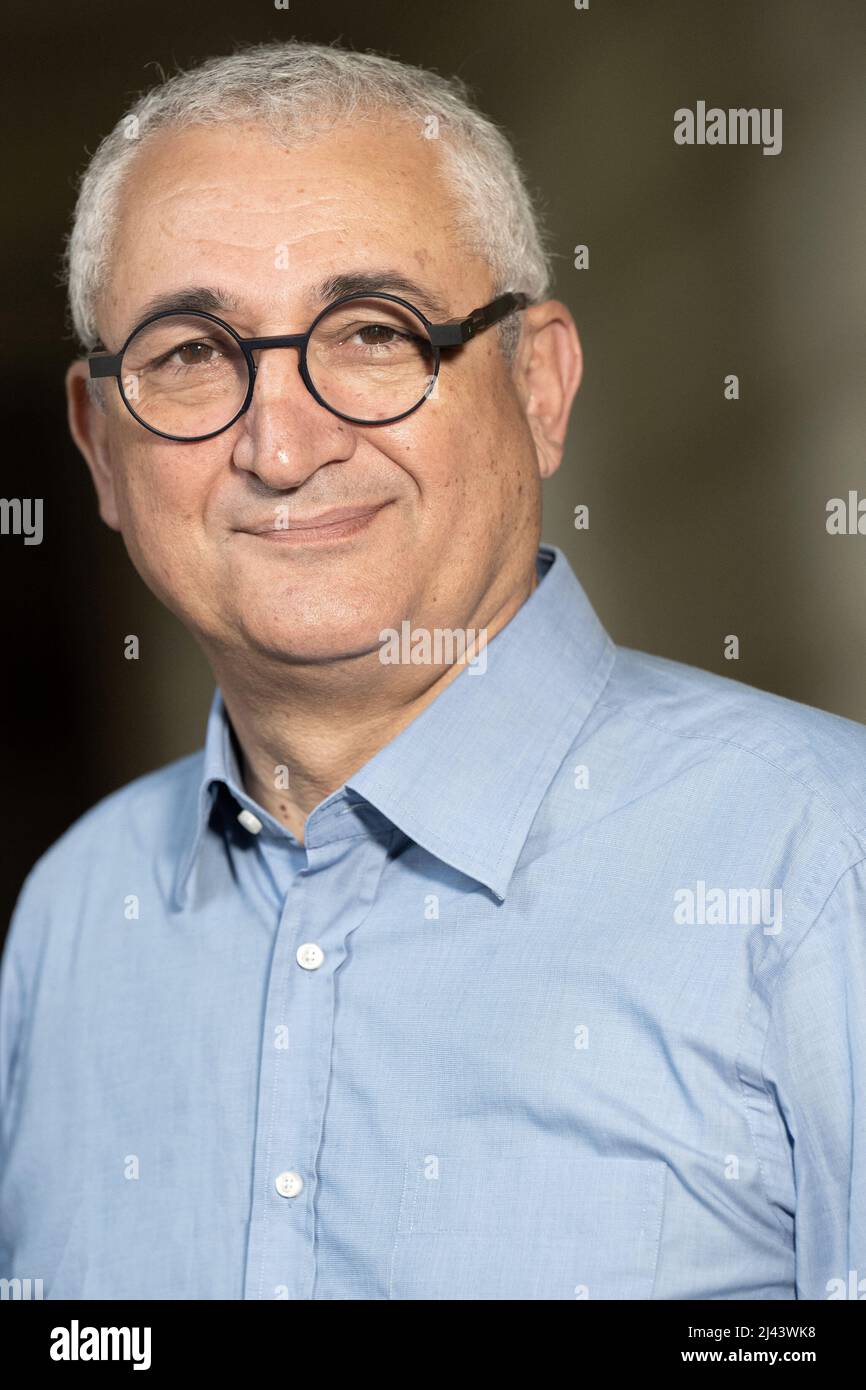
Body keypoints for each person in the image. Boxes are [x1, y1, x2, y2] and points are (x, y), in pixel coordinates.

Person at [1, 38, 864, 1302]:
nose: (282, 447)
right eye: (189, 351)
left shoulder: (824, 862)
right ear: (98, 448)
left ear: (539, 385)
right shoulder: (66, 925)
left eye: (372, 332)